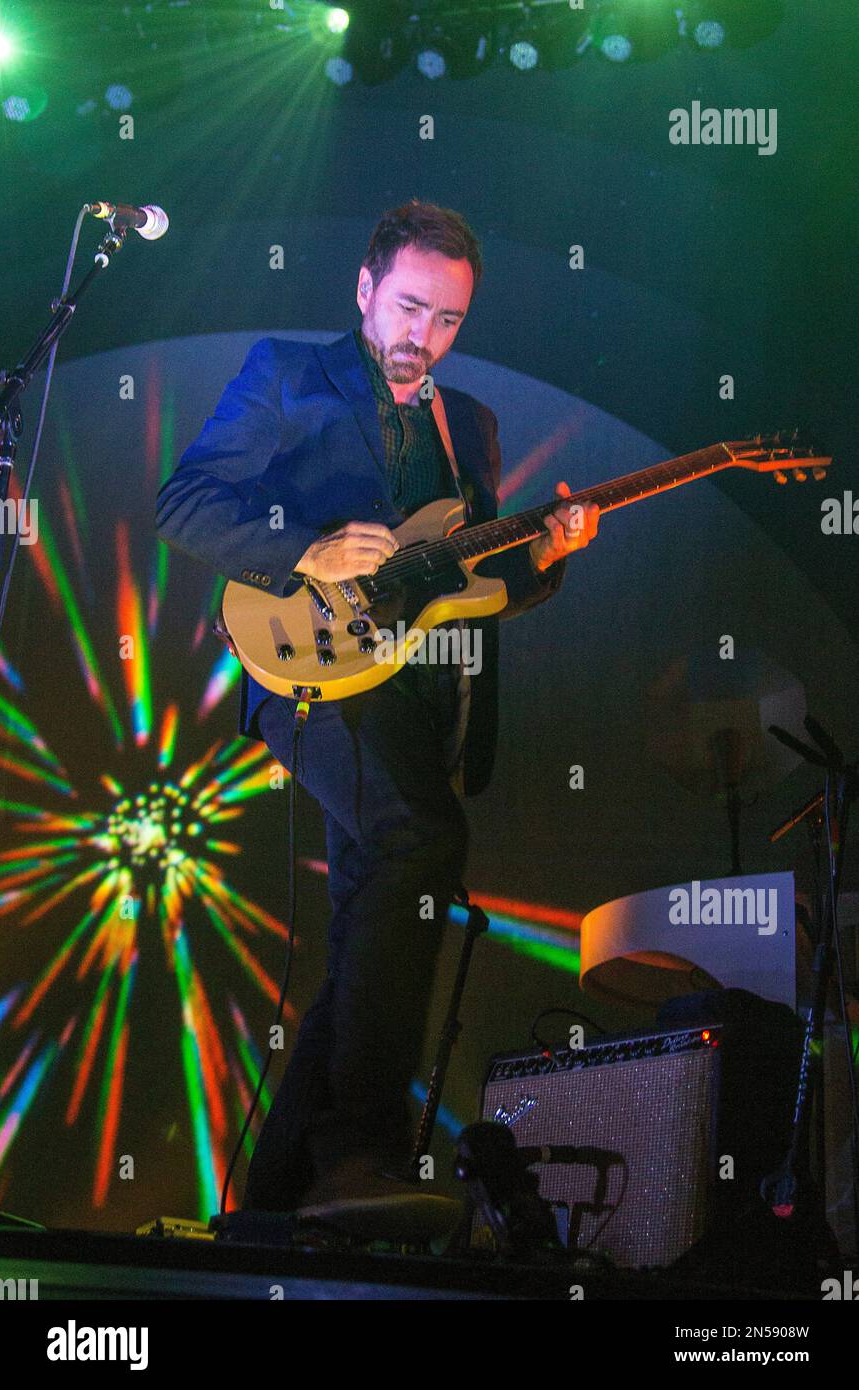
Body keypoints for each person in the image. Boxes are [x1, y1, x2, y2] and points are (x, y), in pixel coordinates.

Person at [155, 200, 599, 1212]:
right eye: (408, 308)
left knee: (373, 928)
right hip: (309, 673)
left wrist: (546, 556)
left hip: (421, 699)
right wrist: (305, 547)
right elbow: (185, 501)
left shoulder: (469, 426)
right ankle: (363, 1148)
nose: (422, 337)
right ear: (363, 290)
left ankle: (275, 1201)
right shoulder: (286, 371)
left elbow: (473, 586)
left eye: (446, 321)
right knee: (421, 846)